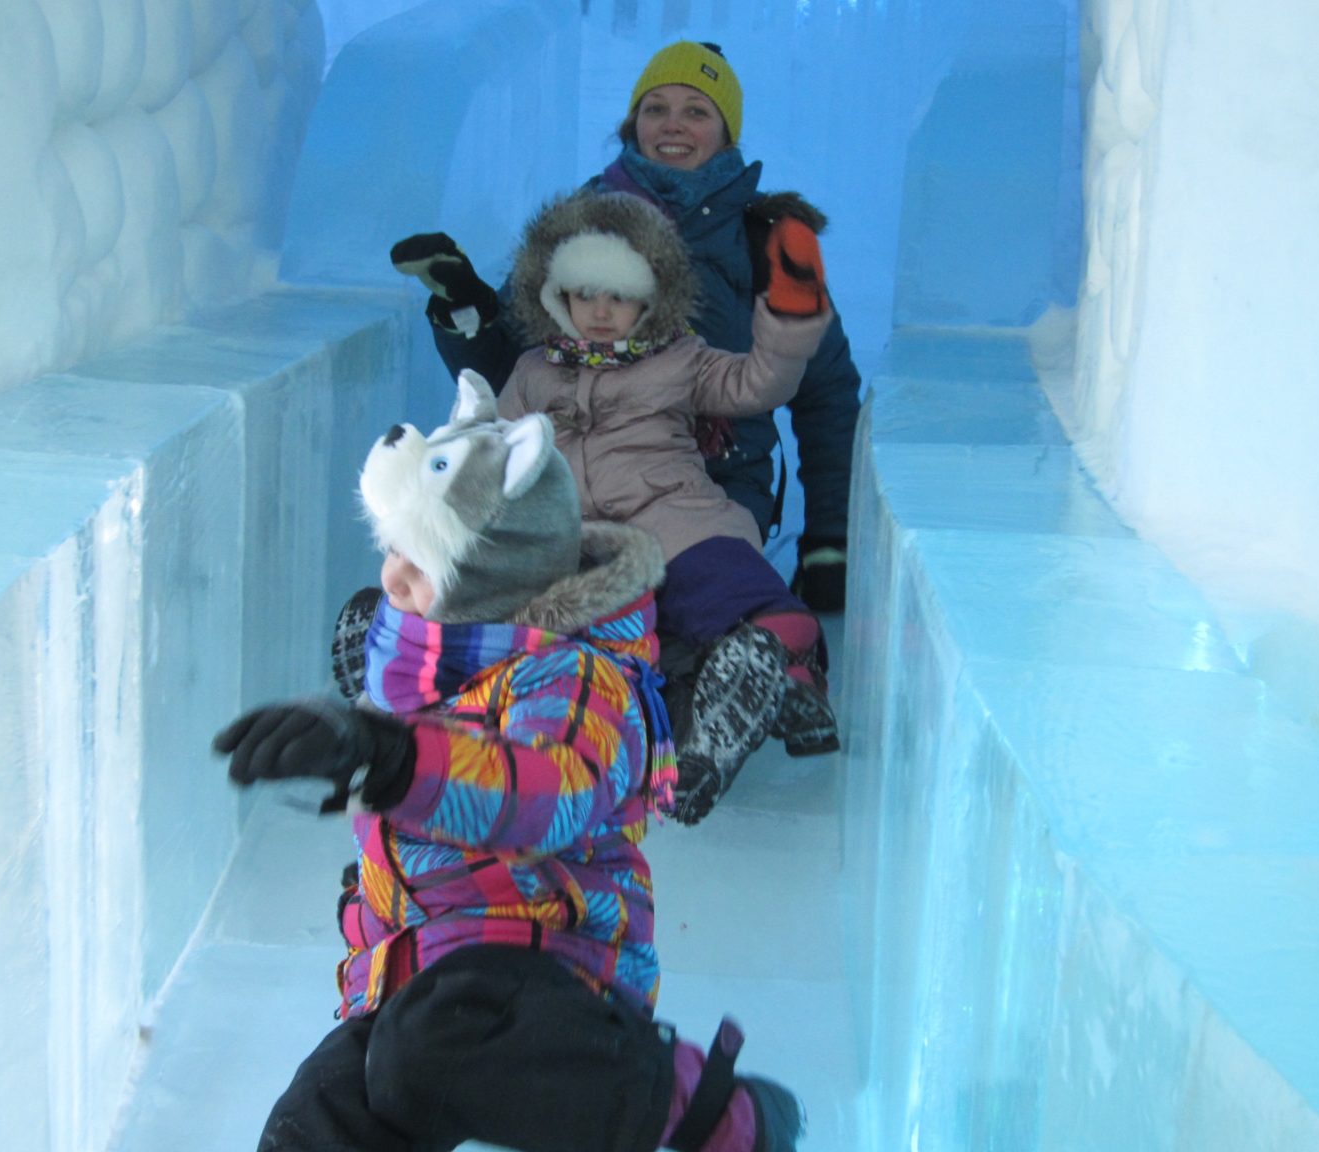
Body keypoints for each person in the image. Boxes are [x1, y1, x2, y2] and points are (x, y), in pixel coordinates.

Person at [211, 376, 803, 1152]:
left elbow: (542, 793)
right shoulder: (423, 686)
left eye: (418, 563)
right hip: (414, 975)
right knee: (318, 1114)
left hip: (548, 962)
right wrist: (364, 905)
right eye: (393, 550)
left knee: (423, 1046)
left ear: (493, 575)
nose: (391, 580)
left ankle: (713, 1114)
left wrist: (385, 757)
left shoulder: (574, 677)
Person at [391, 40, 860, 613]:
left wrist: (830, 542)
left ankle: (734, 673)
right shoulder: (580, 227)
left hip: (710, 491)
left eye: (696, 110)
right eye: (655, 107)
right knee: (528, 602)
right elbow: (514, 376)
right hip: (574, 485)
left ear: (726, 132)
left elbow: (824, 394)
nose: (672, 125)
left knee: (695, 607)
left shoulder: (763, 242)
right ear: (632, 122)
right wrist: (468, 310)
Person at [483, 187, 839, 825]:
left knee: (719, 586)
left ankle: (780, 655)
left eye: (618, 295)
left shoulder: (681, 357)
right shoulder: (534, 372)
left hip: (675, 521)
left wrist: (790, 315)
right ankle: (693, 732)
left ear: (651, 297)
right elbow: (492, 449)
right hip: (578, 545)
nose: (599, 311)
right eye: (584, 293)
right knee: (607, 652)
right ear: (555, 295)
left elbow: (757, 383)